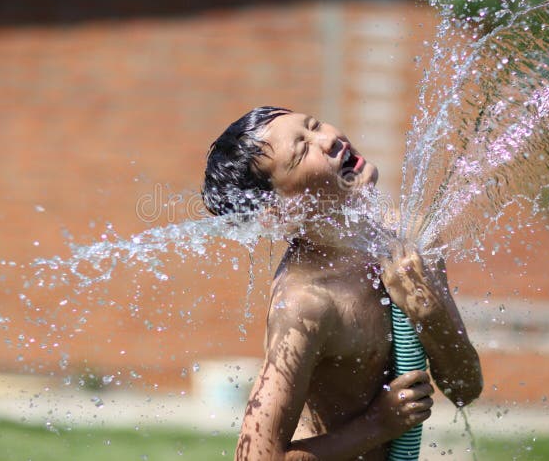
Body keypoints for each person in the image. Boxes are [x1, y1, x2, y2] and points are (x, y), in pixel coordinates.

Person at [202, 107, 482, 460]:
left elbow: (466, 389)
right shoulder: (306, 305)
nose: (329, 138)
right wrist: (378, 424)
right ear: (280, 212)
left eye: (314, 125)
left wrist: (430, 312)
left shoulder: (409, 236)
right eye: (302, 150)